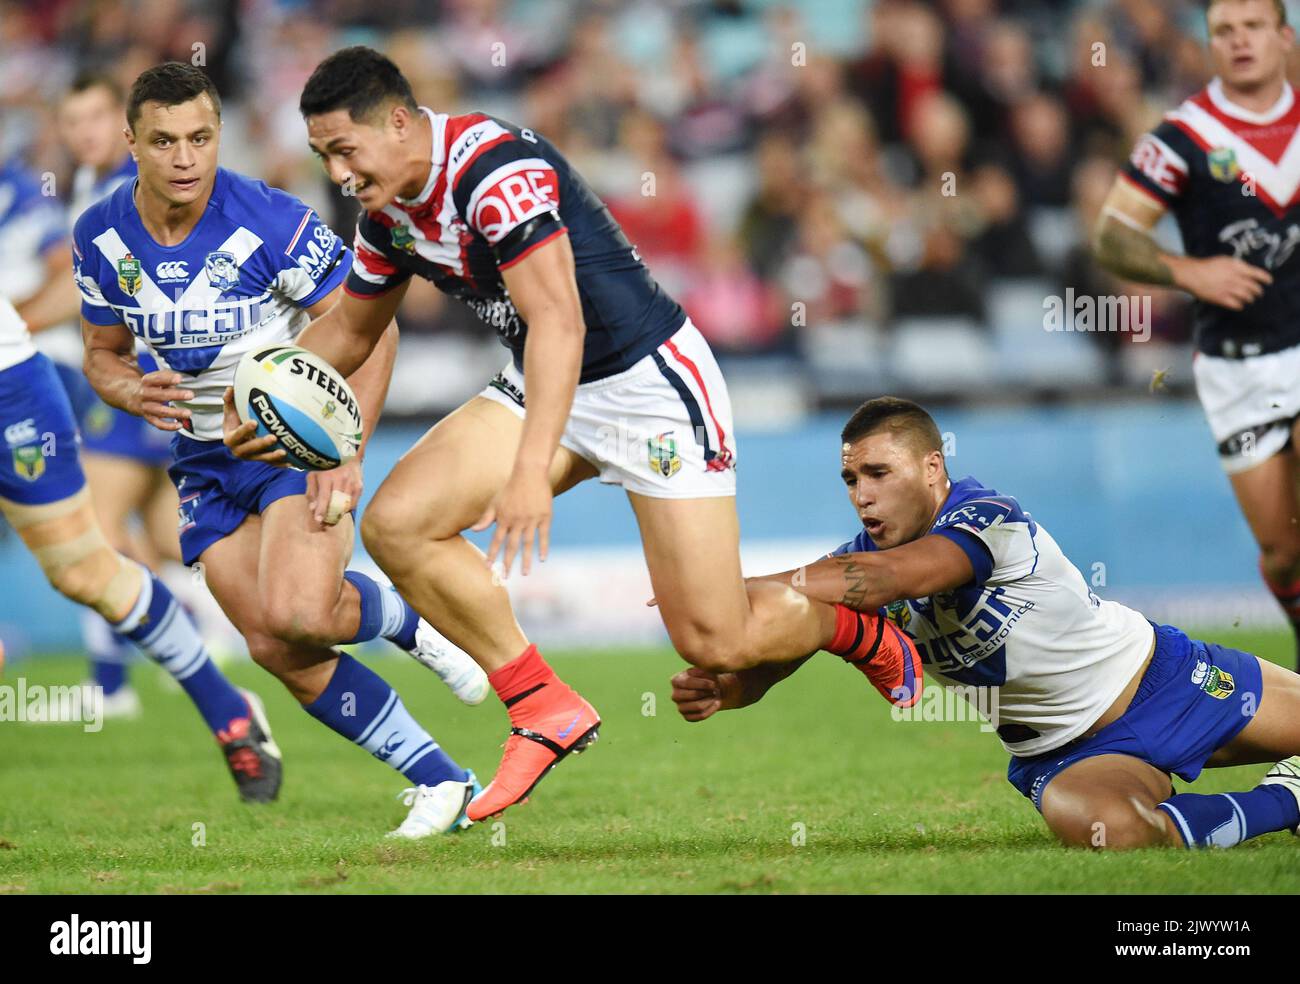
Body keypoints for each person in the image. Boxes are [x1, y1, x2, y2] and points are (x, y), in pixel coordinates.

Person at [273, 46, 922, 822]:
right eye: (323, 156)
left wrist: (526, 475)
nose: (338, 172)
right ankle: (542, 704)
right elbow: (350, 329)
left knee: (718, 644)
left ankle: (853, 628)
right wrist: (253, 392)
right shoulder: (386, 216)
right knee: (399, 523)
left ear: (402, 122)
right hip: (550, 386)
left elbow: (558, 321)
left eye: (345, 149)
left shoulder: (493, 172)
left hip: (649, 386)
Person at [74, 62, 487, 838]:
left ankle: (407, 622)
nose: (186, 158)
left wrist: (343, 448)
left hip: (292, 446)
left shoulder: (272, 220)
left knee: (301, 611)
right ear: (131, 143)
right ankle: (444, 780)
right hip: (199, 461)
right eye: (164, 141)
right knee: (273, 643)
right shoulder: (98, 235)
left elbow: (376, 328)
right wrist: (126, 390)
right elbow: (101, 352)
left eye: (201, 137)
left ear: (219, 135)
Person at [672, 397, 1300, 850]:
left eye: (877, 473)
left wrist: (733, 586)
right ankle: (1287, 799)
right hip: (1067, 755)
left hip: (1166, 680)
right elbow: (783, 654)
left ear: (931, 469)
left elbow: (899, 577)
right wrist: (732, 687)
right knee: (1121, 833)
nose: (861, 494)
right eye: (849, 479)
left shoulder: (988, 518)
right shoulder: (850, 564)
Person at [0, 290, 281, 801]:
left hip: (19, 384)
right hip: (132, 380)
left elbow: (72, 264)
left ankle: (215, 699)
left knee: (88, 564)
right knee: (153, 535)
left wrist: (31, 316)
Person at [1093, 0, 1300, 668]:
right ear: (1209, 43)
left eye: (1254, 28)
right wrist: (1189, 270)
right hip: (1237, 367)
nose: (1240, 42)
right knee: (1283, 549)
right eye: (1224, 31)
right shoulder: (1183, 137)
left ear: (1284, 37)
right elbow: (1112, 234)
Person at [18, 72, 222, 717]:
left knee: (98, 534)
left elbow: (96, 296)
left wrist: (12, 322)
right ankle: (205, 622)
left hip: (146, 381)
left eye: (96, 119)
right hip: (162, 387)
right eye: (73, 121)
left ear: (126, 130)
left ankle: (112, 687)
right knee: (170, 537)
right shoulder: (89, 186)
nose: (85, 133)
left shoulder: (123, 196)